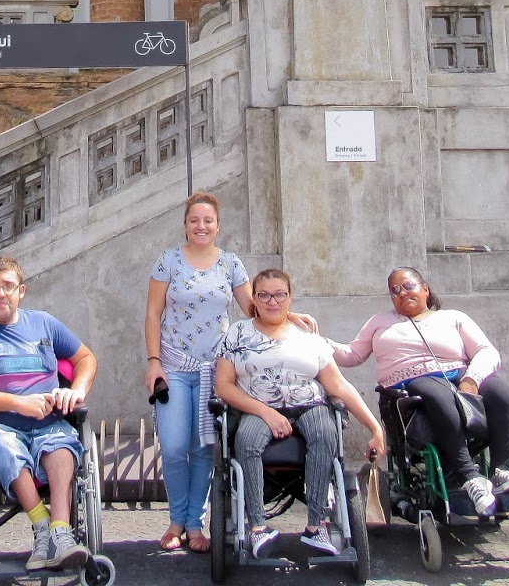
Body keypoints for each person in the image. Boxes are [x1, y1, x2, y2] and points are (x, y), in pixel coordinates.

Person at [328, 266, 509, 518]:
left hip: (459, 375)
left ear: (425, 289)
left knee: (500, 392)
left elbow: (487, 352)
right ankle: (470, 477)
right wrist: (312, 340)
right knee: (437, 394)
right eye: (394, 290)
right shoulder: (380, 322)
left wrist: (472, 379)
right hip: (411, 385)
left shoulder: (453, 317)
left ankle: (502, 471)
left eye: (408, 286)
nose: (402, 293)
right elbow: (351, 354)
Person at [215, 269, 385, 559]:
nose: (272, 301)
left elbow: (338, 385)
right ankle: (257, 527)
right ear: (254, 298)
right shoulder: (238, 333)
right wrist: (266, 413)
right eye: (264, 295)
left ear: (290, 297)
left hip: (310, 405)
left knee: (325, 433)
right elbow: (223, 386)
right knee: (245, 440)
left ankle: (316, 524)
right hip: (258, 407)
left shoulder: (307, 336)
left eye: (280, 294)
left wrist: (375, 429)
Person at [0, 255, 97, 572]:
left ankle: (60, 533)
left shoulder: (44, 323)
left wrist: (76, 390)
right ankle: (41, 526)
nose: (1, 293)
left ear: (21, 290)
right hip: (1, 426)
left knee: (60, 446)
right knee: (4, 447)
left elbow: (85, 358)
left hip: (49, 421)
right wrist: (18, 403)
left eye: (8, 286)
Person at [144, 192, 252, 554]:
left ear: (217, 225)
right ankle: (175, 518)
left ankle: (194, 524)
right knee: (174, 448)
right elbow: (152, 314)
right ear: (185, 224)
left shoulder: (231, 264)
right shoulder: (168, 262)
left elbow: (255, 308)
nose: (201, 226)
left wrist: (289, 316)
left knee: (204, 448)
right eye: (194, 220)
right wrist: (154, 362)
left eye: (208, 221)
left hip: (215, 372)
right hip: (174, 367)